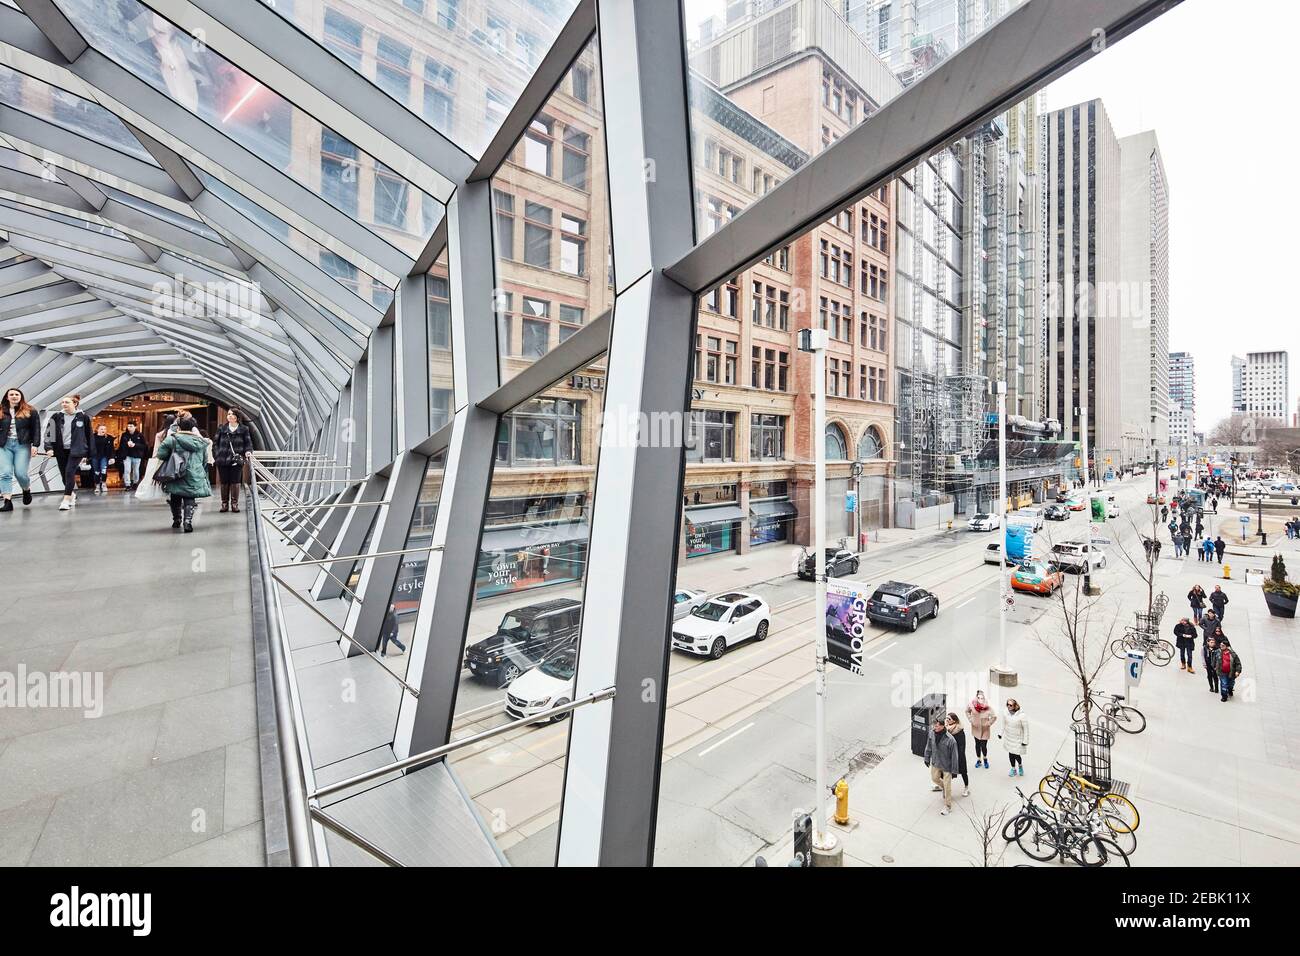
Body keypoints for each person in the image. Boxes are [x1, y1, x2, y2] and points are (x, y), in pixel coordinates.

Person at [154, 414, 212, 532]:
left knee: (175, 496)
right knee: (189, 497)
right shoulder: (200, 441)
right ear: (192, 428)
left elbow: (160, 454)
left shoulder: (172, 439)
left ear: (179, 427)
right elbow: (205, 459)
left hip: (175, 472)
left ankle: (177, 520)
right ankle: (188, 522)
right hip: (194, 472)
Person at [43, 394, 93, 511]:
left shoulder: (83, 417)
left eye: (67, 402)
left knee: (69, 472)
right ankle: (72, 494)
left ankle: (65, 500)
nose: (64, 404)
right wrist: (49, 448)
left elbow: (88, 435)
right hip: (60, 450)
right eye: (63, 402)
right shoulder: (56, 417)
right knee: (64, 476)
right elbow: (49, 434)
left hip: (77, 450)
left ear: (75, 404)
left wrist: (88, 453)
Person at [0, 387, 40, 512]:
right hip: (4, 445)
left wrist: (35, 445)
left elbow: (36, 429)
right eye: (11, 394)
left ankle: (26, 489)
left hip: (23, 445)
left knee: (20, 473)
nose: (14, 396)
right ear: (7, 397)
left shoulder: (30, 410)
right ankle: (7, 501)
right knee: (5, 473)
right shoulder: (1, 410)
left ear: (20, 397)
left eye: (17, 394)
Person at [212, 410, 252, 513]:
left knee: (235, 481)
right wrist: (217, 455)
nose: (229, 416)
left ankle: (234, 504)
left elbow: (248, 443)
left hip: (236, 460)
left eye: (232, 414)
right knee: (224, 481)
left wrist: (248, 452)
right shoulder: (222, 428)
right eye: (228, 414)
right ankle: (224, 504)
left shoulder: (244, 429)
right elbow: (215, 443)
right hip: (222, 459)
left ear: (237, 416)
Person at [922, 717, 959, 815]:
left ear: (943, 726)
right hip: (936, 762)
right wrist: (926, 757)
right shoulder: (931, 733)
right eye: (934, 725)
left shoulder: (951, 740)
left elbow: (955, 756)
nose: (935, 727)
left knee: (947, 786)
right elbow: (929, 746)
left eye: (937, 726)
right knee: (934, 779)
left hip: (947, 766)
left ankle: (948, 806)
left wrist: (954, 770)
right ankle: (943, 787)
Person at [136, 413, 177, 502]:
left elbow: (156, 448)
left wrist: (155, 458)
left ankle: (167, 493)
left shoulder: (160, 434)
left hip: (162, 459)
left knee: (164, 477)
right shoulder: (177, 433)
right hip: (175, 458)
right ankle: (172, 494)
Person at [966, 690, 997, 770]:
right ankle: (978, 759)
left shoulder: (988, 707)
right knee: (977, 744)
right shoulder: (972, 705)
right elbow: (967, 711)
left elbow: (994, 717)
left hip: (985, 730)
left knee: (983, 746)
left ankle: (985, 759)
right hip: (976, 728)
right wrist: (971, 719)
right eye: (979, 697)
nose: (980, 699)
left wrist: (988, 723)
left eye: (982, 697)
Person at [998, 698, 1029, 777]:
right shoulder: (1005, 713)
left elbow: (1026, 729)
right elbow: (1003, 724)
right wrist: (1000, 733)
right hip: (1009, 737)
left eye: (1010, 705)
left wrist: (1025, 740)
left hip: (1018, 739)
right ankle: (1013, 769)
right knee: (1011, 754)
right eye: (1007, 704)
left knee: (1017, 755)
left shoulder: (1022, 715)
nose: (1008, 706)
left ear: (1015, 705)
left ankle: (1020, 766)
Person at [946, 713, 970, 797]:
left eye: (949, 719)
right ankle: (942, 786)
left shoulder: (959, 731)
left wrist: (958, 756)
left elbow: (962, 746)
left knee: (963, 771)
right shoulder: (946, 729)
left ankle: (966, 787)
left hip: (958, 755)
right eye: (947, 718)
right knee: (945, 772)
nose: (947, 720)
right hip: (948, 755)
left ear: (954, 720)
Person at [118, 422, 147, 489]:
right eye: (128, 426)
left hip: (137, 455)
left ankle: (135, 483)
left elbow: (144, 446)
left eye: (131, 426)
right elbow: (121, 445)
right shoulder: (124, 435)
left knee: (136, 470)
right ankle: (127, 484)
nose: (129, 428)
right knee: (127, 470)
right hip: (127, 455)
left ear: (135, 427)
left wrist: (135, 445)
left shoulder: (140, 435)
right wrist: (126, 445)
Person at [1215, 635, 1243, 702]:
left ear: (1227, 646)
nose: (1221, 646)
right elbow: (1214, 660)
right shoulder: (1218, 652)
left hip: (1231, 673)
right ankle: (1224, 696)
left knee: (1231, 684)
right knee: (1224, 684)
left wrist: (1238, 671)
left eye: (1223, 645)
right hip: (1222, 672)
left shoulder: (1233, 654)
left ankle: (1230, 690)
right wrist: (1214, 667)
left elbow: (1238, 663)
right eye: (1220, 645)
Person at [91, 424, 115, 494]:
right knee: (97, 472)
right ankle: (97, 485)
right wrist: (85, 457)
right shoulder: (92, 437)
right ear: (97, 430)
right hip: (94, 456)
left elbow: (112, 449)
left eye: (104, 429)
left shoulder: (109, 438)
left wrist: (112, 457)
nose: (103, 430)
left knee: (104, 470)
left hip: (104, 457)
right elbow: (88, 447)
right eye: (101, 429)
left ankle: (104, 484)